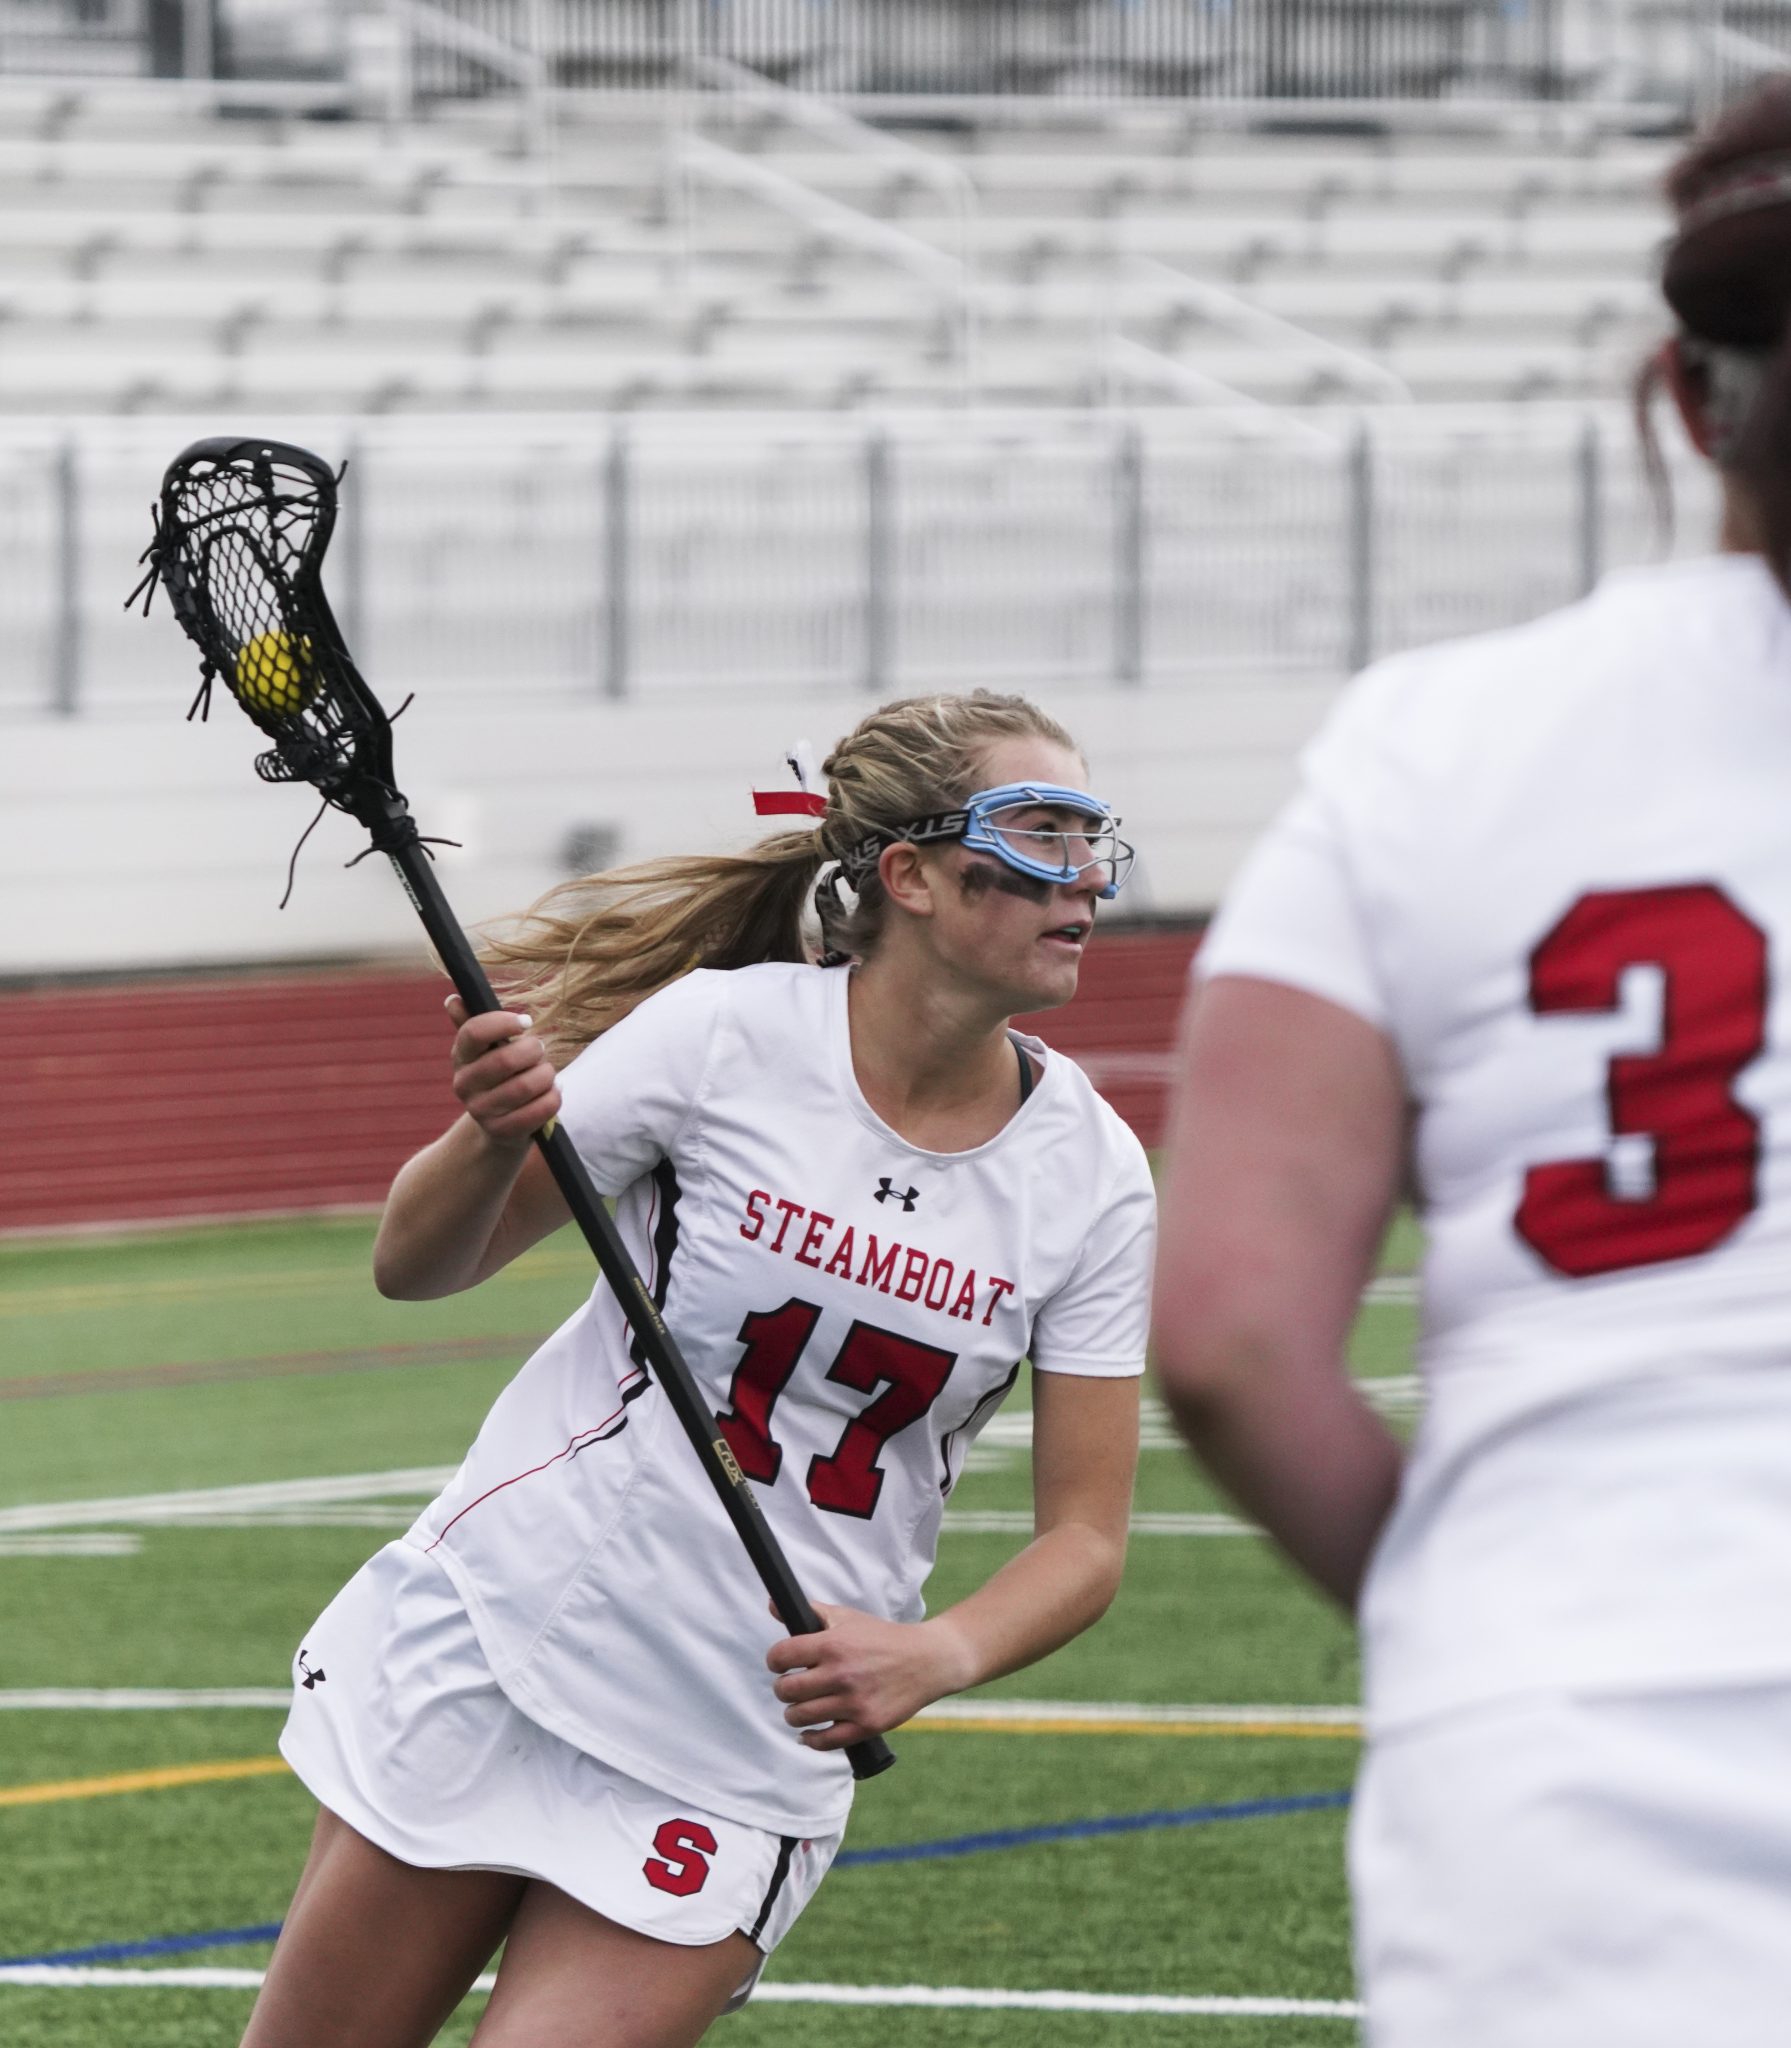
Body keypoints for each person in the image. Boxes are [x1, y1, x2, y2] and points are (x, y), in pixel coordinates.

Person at [1151, 80, 1791, 2048]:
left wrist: (1478, 1600)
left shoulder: (1433, 742)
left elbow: (1230, 1344)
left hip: (1559, 1750)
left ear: (1685, 401)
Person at [241, 690, 1156, 2048]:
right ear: (906, 875)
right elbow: (418, 1266)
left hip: (741, 1735)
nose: (1079, 878)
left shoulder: (1095, 1177)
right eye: (1036, 835)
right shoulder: (723, 1037)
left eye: (1091, 840)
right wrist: (488, 1137)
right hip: (512, 1630)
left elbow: (1086, 1538)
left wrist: (938, 1650)